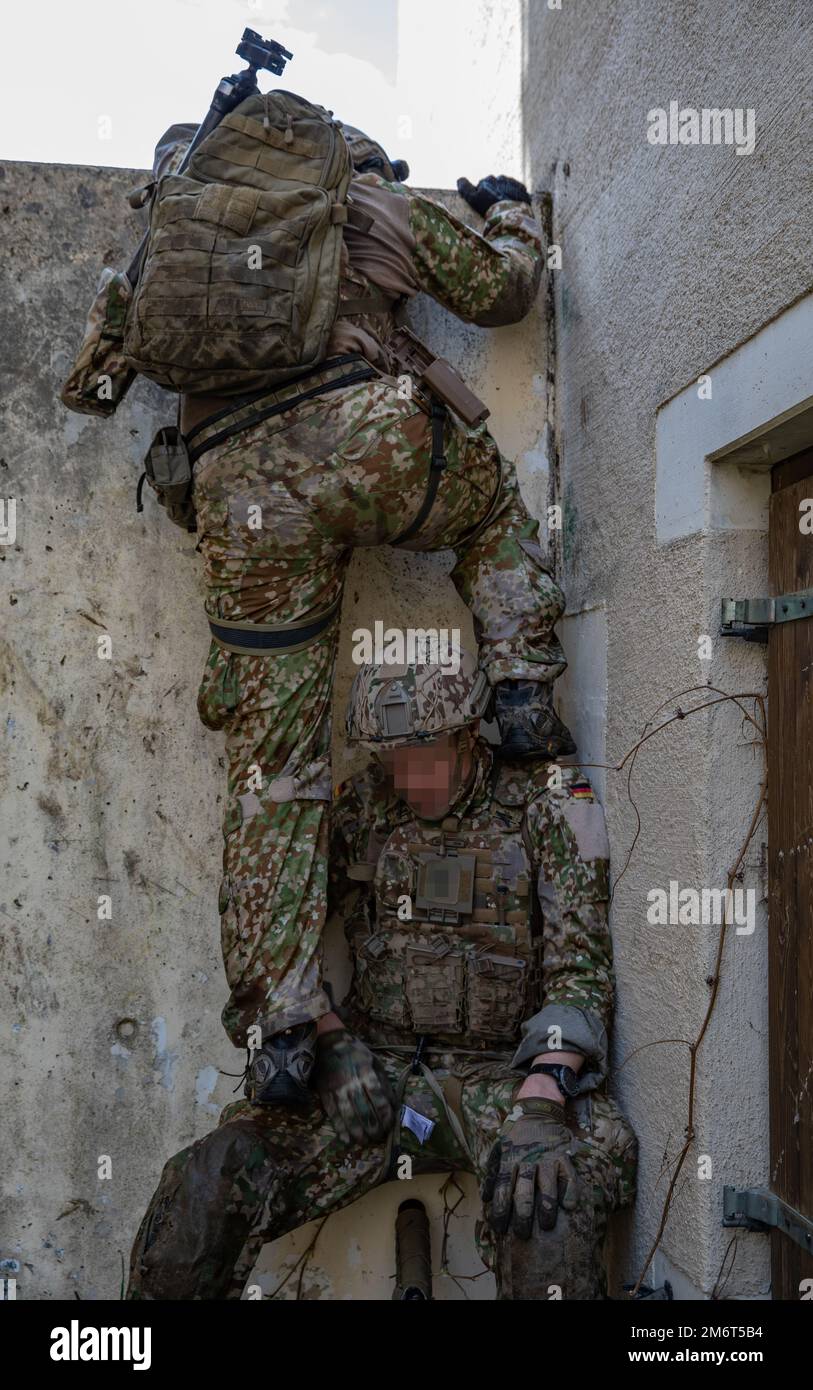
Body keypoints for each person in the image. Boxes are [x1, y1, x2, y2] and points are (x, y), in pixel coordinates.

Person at [126, 649, 636, 1301]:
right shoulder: (364, 804)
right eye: (391, 759)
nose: (407, 777)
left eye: (423, 755)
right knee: (210, 1175)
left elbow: (580, 964)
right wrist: (331, 1039)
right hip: (376, 1073)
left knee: (551, 1191)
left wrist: (543, 1094)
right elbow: (283, 932)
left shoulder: (549, 801)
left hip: (505, 1077)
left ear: (465, 733)